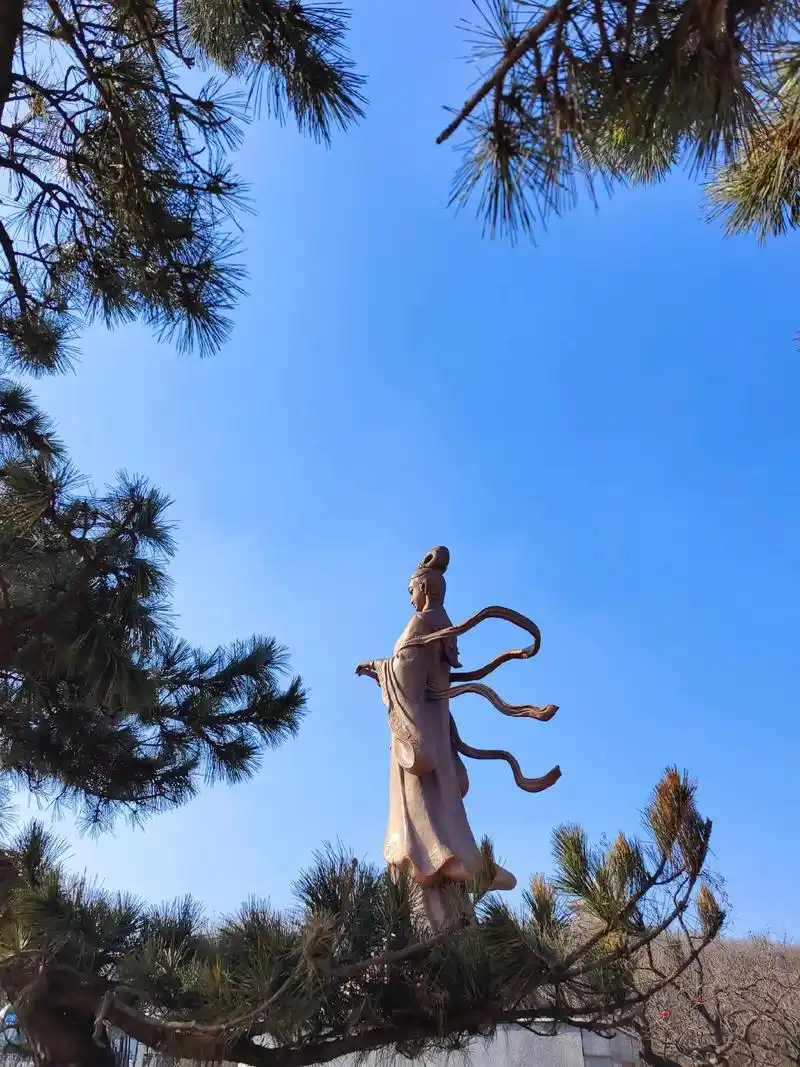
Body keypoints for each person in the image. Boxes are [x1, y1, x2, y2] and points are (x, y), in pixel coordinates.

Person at [356, 547, 516, 892]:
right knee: (442, 790)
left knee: (421, 794)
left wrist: (380, 669)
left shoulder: (421, 623)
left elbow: (405, 669)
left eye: (412, 590)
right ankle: (465, 858)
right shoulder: (444, 625)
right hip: (436, 724)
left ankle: (442, 856)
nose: (410, 597)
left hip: (422, 726)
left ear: (424, 588)